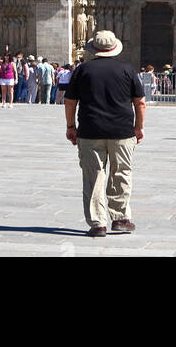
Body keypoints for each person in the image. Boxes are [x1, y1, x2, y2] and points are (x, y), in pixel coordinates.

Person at [65, 30, 146, 238]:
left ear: (94, 49)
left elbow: (70, 101)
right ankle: (120, 219)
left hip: (90, 131)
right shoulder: (127, 69)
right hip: (122, 131)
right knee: (121, 174)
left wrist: (70, 126)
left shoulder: (82, 70)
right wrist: (139, 127)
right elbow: (140, 102)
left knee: (94, 177)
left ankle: (98, 223)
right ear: (114, 47)